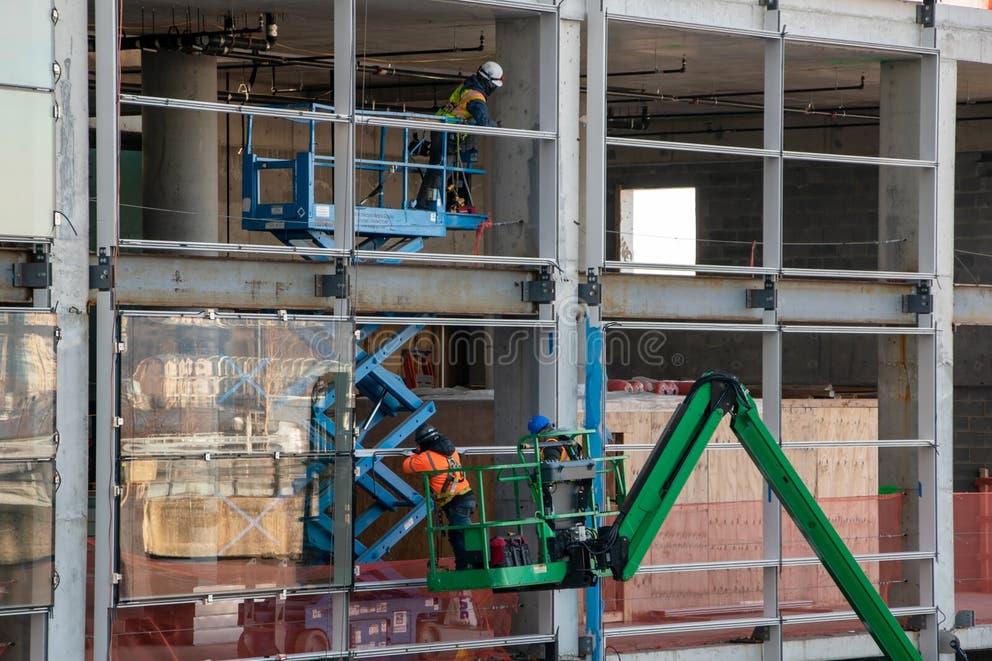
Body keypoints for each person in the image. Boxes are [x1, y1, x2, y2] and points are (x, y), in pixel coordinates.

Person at [414, 60, 504, 212]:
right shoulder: (476, 98)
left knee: (437, 170)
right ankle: (430, 206)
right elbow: (484, 122)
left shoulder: (466, 86)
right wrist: (497, 126)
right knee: (441, 171)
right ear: (488, 82)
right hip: (446, 132)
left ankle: (424, 203)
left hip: (441, 128)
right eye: (494, 85)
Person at [403, 423, 477, 569]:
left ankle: (472, 567)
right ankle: (466, 566)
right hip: (465, 497)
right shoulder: (451, 450)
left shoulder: (426, 458)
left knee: (463, 536)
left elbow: (406, 466)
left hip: (456, 501)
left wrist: (417, 453)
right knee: (458, 535)